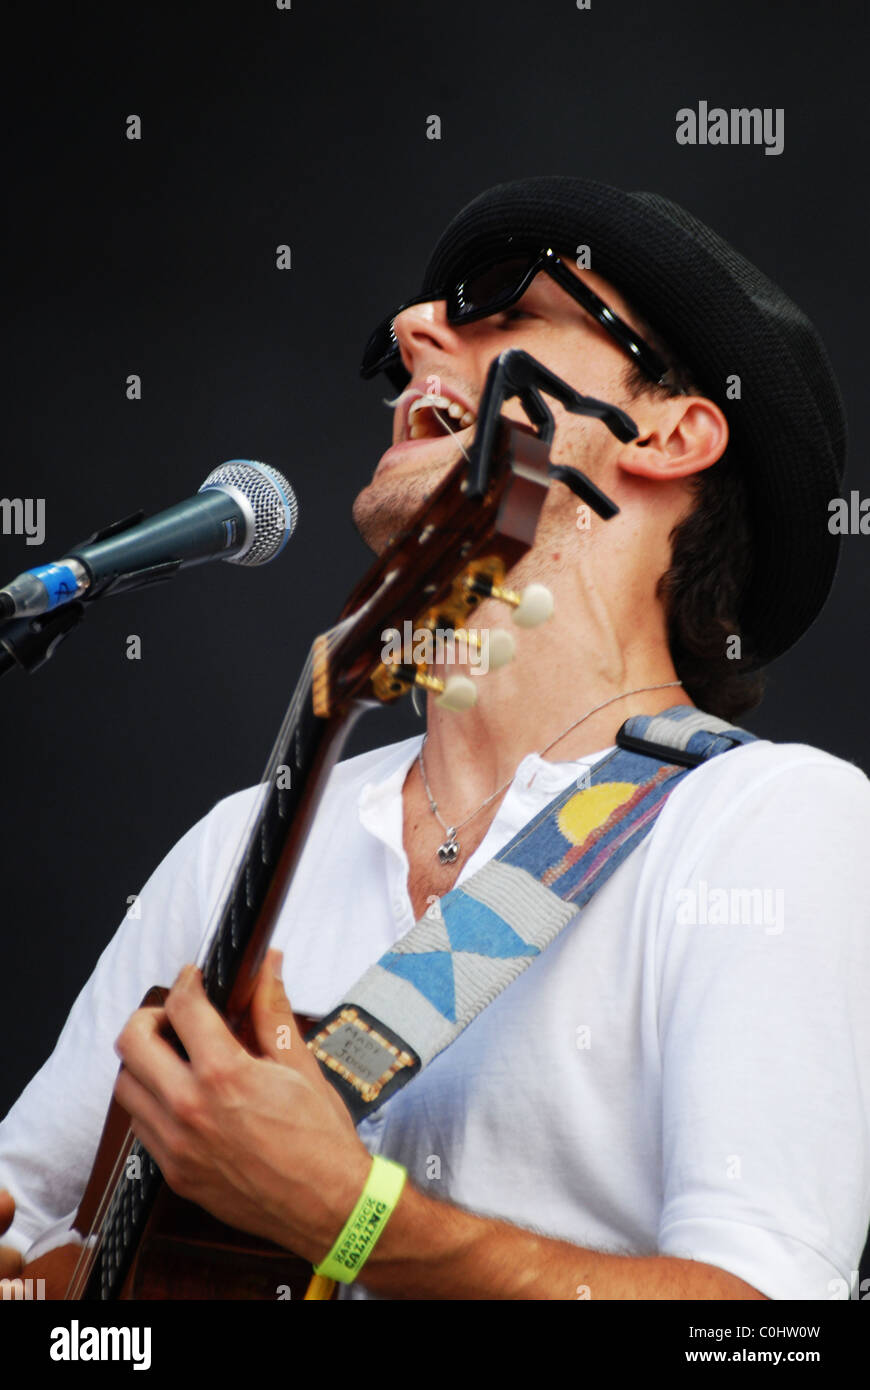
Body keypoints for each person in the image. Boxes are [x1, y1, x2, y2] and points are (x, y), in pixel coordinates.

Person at [1, 177, 868, 1300]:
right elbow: (36, 1236)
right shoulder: (239, 847)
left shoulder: (776, 831)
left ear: (668, 430)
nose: (412, 330)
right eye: (411, 329)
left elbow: (764, 1327)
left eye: (500, 300)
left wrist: (349, 1215)